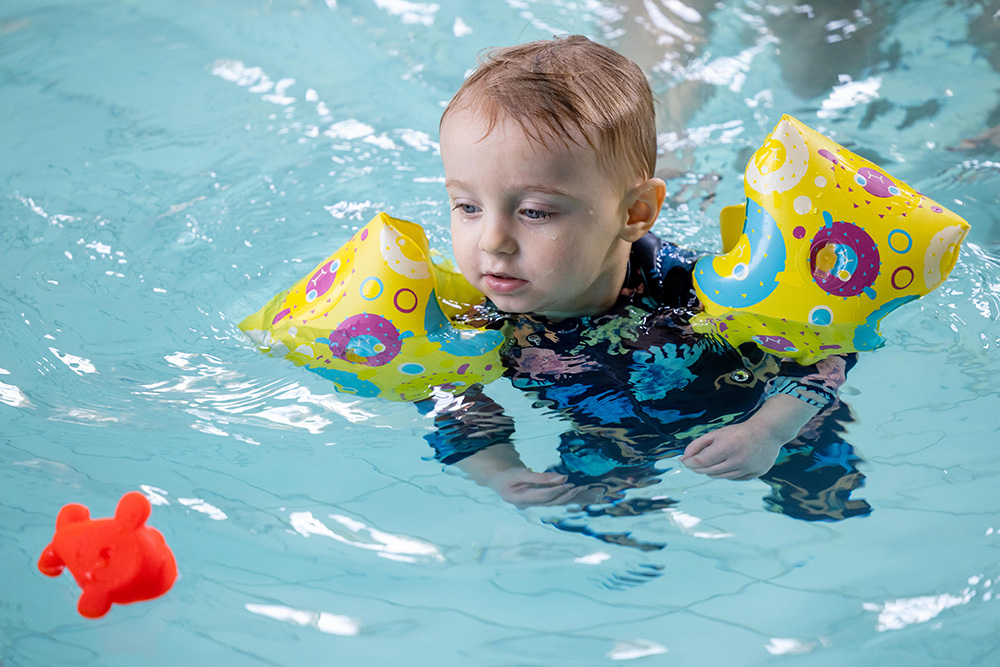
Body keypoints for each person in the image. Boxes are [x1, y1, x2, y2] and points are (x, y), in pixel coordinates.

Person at [420, 35, 861, 515]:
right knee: (577, 514)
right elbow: (445, 394)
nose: (491, 241)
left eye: (534, 212)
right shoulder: (476, 317)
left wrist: (770, 429)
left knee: (823, 499)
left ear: (635, 212)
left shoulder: (693, 289)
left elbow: (825, 344)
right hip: (608, 436)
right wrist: (498, 470)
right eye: (467, 206)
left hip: (760, 417)